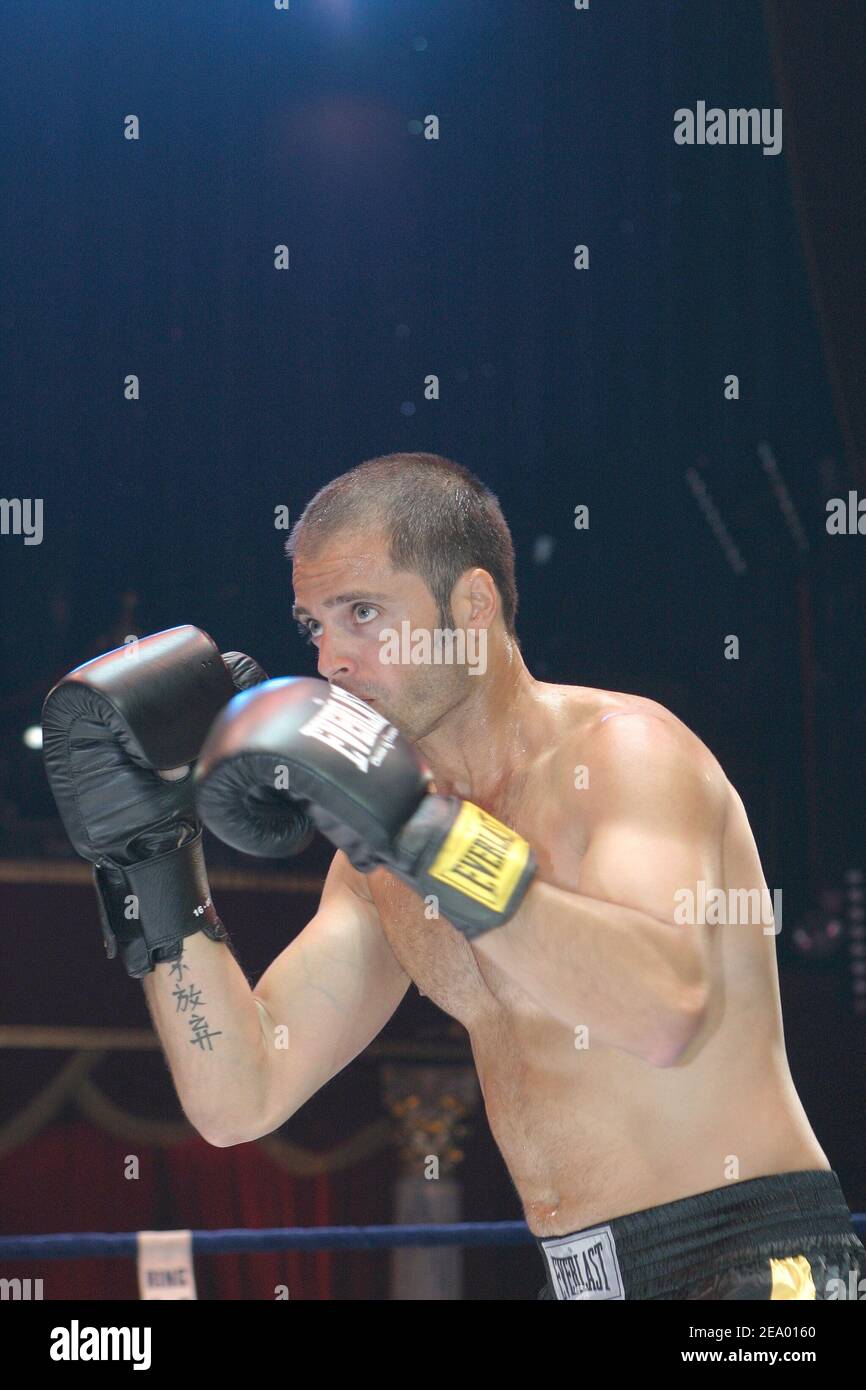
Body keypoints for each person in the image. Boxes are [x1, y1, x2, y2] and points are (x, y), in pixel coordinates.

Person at [45, 453, 865, 1300]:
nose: (331, 661)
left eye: (363, 612)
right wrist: (159, 865)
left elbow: (667, 1009)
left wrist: (432, 841)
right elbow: (239, 1098)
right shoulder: (378, 867)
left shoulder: (622, 754)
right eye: (315, 626)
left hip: (754, 1268)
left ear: (471, 607)